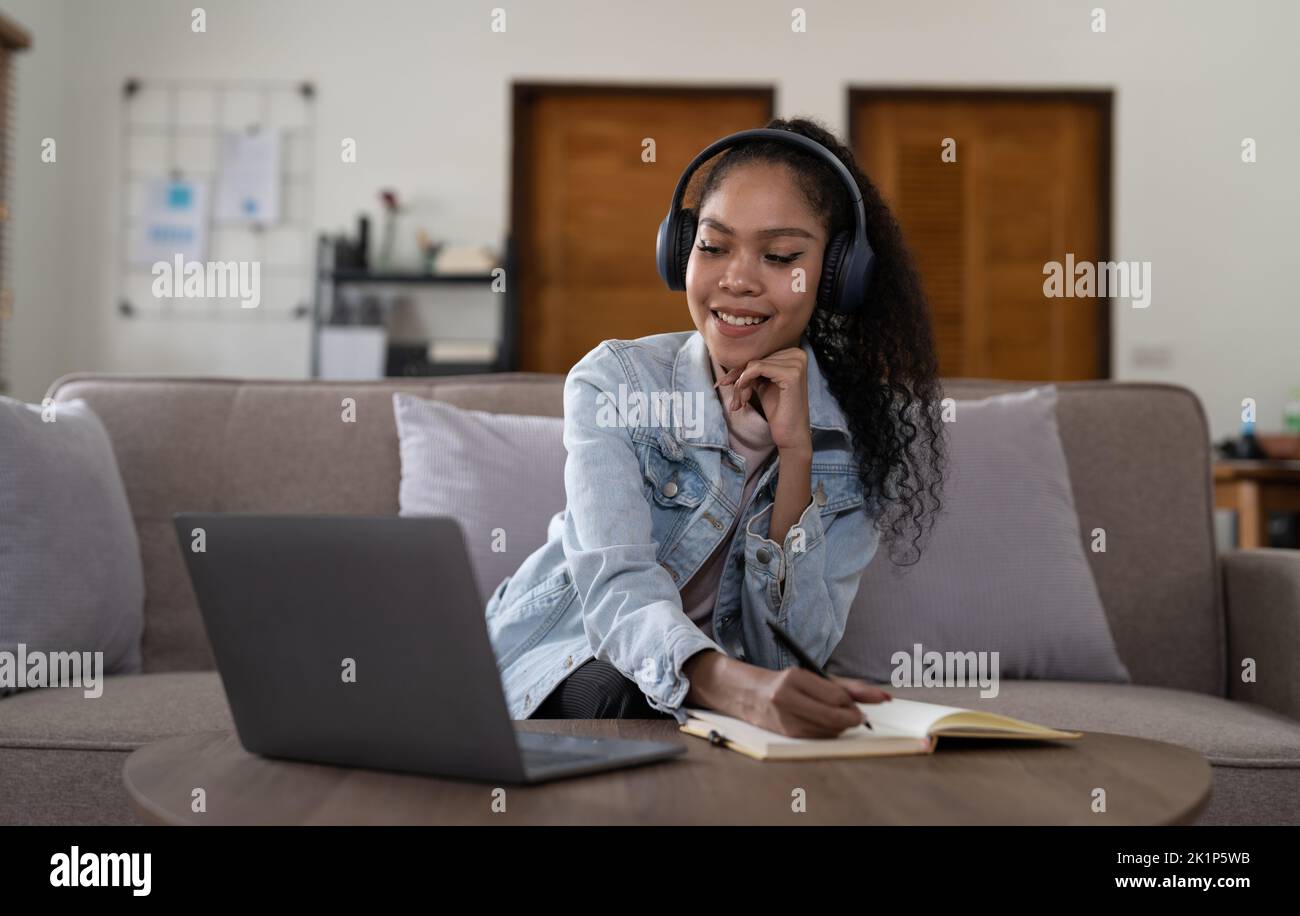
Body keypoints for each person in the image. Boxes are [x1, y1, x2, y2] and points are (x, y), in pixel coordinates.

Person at [483, 116, 947, 738]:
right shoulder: (616, 382)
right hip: (566, 656)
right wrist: (734, 686)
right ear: (680, 250)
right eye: (713, 245)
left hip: (724, 696)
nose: (736, 278)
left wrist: (796, 453)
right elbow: (617, 588)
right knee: (625, 692)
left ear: (837, 274)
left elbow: (790, 655)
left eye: (780, 256)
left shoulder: (864, 429)